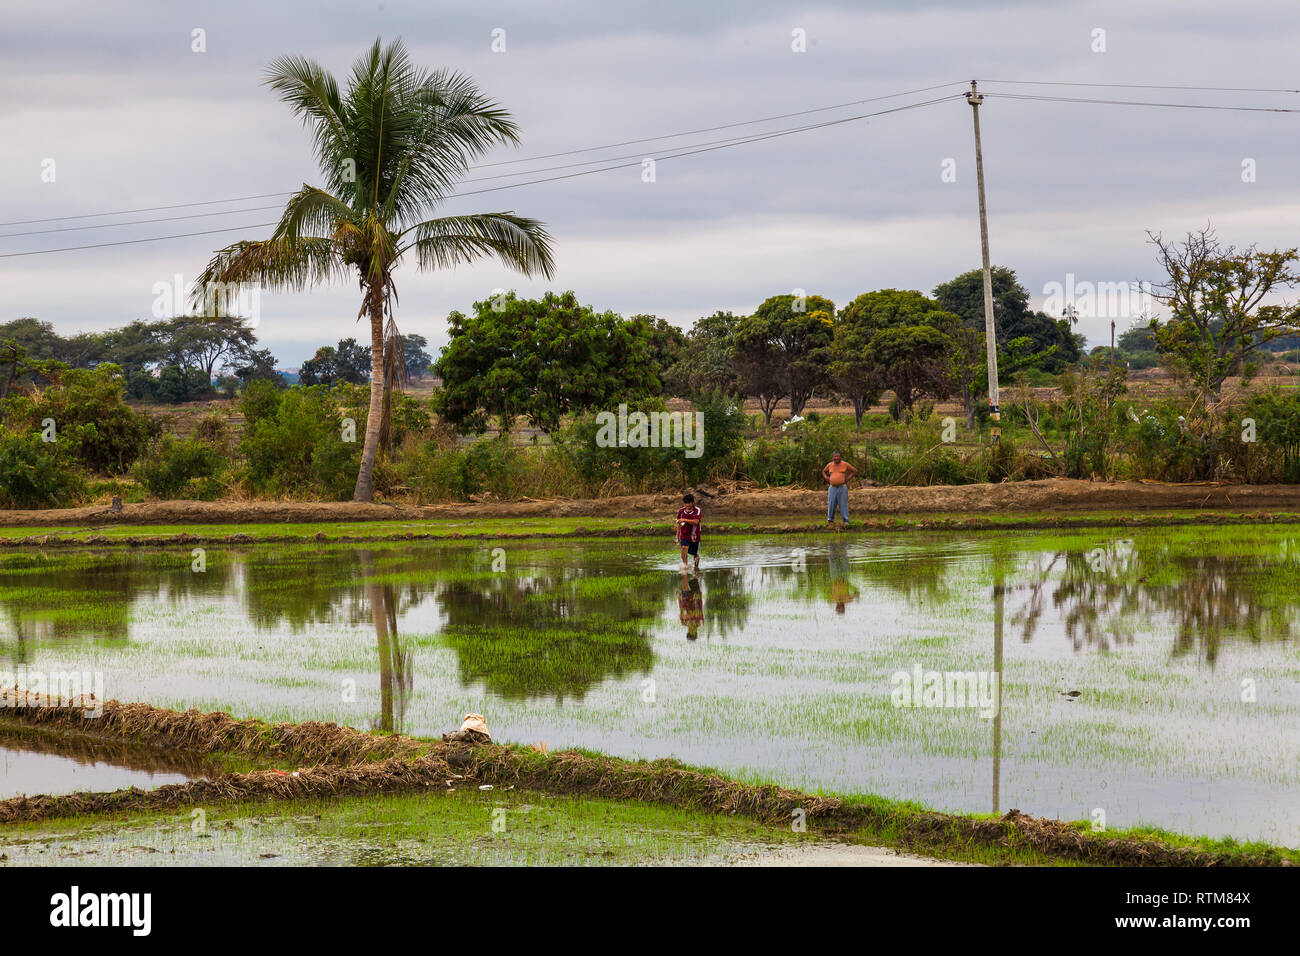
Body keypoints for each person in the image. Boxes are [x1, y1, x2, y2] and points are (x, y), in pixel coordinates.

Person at [822, 450, 857, 527]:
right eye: (835, 456)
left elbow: (854, 471)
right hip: (832, 488)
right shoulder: (830, 465)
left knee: (843, 504)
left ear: (840, 457)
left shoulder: (845, 464)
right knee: (831, 504)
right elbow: (824, 471)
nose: (836, 458)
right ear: (833, 457)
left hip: (842, 487)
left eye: (838, 456)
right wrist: (826, 478)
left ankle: (846, 521)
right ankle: (830, 520)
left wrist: (847, 479)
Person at [676, 493, 702, 572]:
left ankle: (696, 568)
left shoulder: (697, 510)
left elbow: (696, 522)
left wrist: (684, 520)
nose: (687, 505)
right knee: (684, 547)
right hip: (684, 534)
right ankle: (685, 565)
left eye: (689, 503)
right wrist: (677, 536)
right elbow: (679, 524)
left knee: (694, 554)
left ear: (693, 502)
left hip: (695, 536)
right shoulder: (681, 511)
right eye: (686, 503)